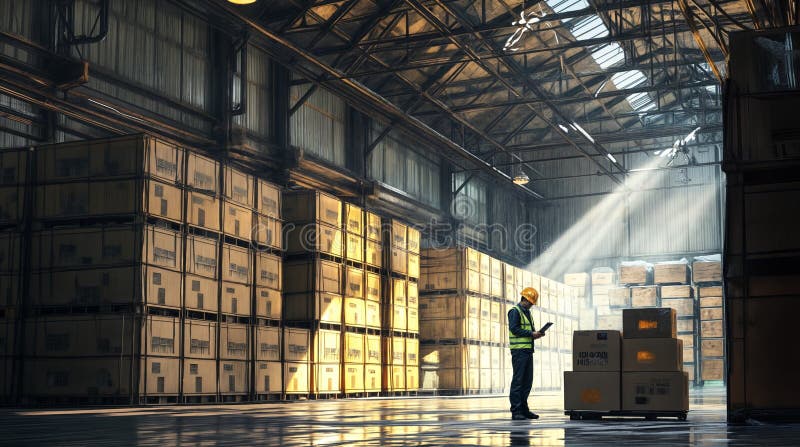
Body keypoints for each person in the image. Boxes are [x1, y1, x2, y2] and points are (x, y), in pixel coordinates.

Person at [508, 287, 545, 421]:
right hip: (519, 351)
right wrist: (531, 334)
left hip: (528, 351)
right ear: (524, 299)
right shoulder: (515, 311)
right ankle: (516, 411)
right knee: (518, 382)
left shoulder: (527, 312)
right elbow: (514, 329)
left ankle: (524, 410)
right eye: (530, 302)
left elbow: (528, 332)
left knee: (527, 382)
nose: (531, 305)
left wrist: (536, 334)